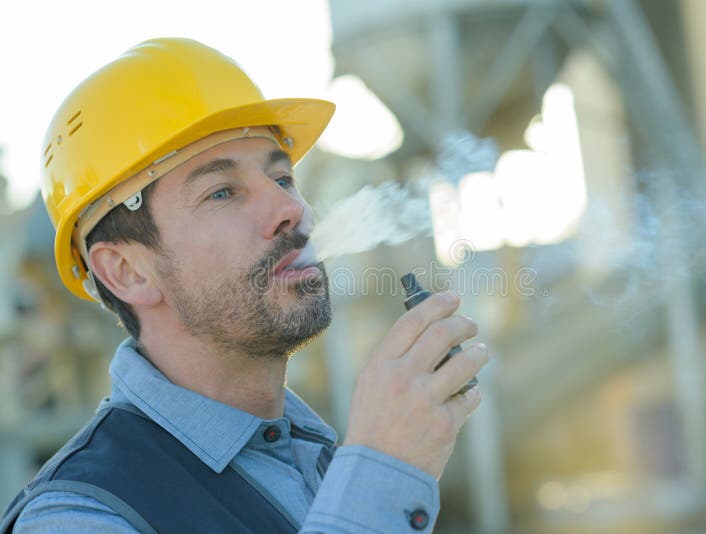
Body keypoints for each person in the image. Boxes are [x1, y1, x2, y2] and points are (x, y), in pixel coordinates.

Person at [0, 38, 489, 533]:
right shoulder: (78, 517)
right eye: (222, 192)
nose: (291, 210)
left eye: (281, 178)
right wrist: (382, 473)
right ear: (127, 271)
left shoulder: (317, 460)